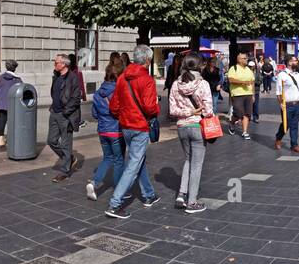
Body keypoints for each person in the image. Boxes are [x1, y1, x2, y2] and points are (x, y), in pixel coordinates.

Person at [104, 51, 161, 217]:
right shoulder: (147, 80)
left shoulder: (122, 77)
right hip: (140, 126)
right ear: (148, 60)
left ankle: (148, 195)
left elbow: (114, 105)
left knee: (138, 159)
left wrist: (122, 116)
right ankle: (115, 203)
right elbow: (150, 107)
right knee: (134, 164)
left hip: (125, 125)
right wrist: (156, 108)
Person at [170, 57, 217, 212]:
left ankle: (181, 194)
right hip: (197, 126)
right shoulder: (203, 84)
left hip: (182, 126)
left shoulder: (176, 84)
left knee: (188, 159)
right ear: (199, 66)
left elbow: (172, 110)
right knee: (196, 165)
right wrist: (195, 111)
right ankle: (192, 202)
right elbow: (208, 111)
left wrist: (186, 112)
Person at [88, 51, 127, 201]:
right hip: (116, 130)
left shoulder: (98, 93)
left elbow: (94, 114)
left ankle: (95, 182)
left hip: (102, 131)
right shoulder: (119, 91)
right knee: (118, 160)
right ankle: (118, 189)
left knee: (107, 158)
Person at [48, 53, 86, 178]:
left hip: (66, 115)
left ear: (64, 64)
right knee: (51, 141)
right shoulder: (56, 76)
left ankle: (65, 170)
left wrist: (66, 112)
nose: (55, 64)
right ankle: (69, 158)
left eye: (56, 62)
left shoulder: (73, 78)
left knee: (66, 143)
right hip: (54, 113)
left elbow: (76, 98)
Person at [271, 56, 299, 149]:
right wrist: (281, 103)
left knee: (294, 125)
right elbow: (278, 92)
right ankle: (278, 138)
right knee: (286, 124)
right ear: (289, 62)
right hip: (287, 105)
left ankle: (294, 145)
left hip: (297, 104)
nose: (297, 62)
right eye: (296, 61)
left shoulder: (297, 75)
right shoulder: (282, 75)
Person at [225, 53, 260, 140]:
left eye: (246, 58)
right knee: (239, 112)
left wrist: (253, 94)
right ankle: (232, 123)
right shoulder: (234, 68)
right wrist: (243, 82)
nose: (246, 60)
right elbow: (231, 79)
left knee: (247, 114)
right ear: (239, 60)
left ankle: (244, 132)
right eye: (244, 58)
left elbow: (252, 82)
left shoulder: (249, 69)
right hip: (237, 94)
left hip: (248, 94)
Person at [0, 61, 24, 150]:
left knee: (2, 120)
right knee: (12, 121)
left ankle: (0, 139)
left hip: (1, 103)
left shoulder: (0, 77)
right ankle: (11, 139)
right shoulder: (18, 80)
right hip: (12, 104)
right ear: (14, 68)